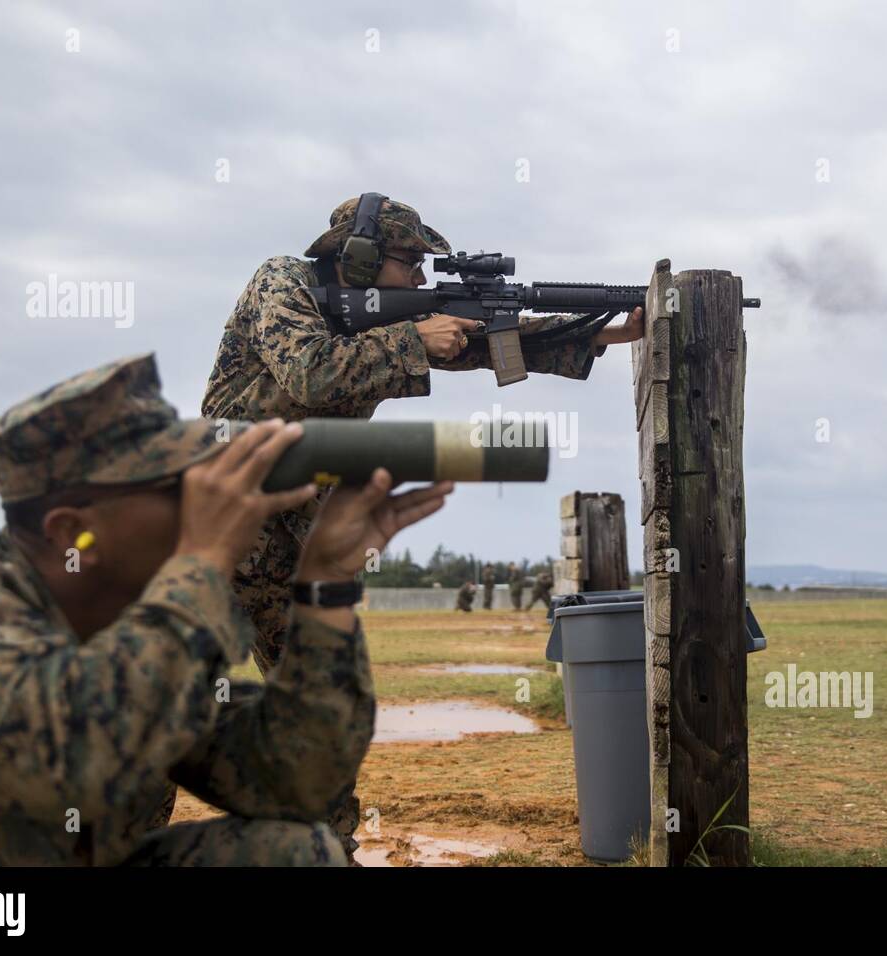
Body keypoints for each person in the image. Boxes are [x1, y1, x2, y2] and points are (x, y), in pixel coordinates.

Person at [0, 354, 451, 866]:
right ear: (75, 533)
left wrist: (326, 586)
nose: (201, 506)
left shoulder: (125, 618)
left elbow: (298, 780)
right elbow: (67, 763)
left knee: (295, 852)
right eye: (176, 491)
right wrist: (199, 563)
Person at [201, 195, 643, 856]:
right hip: (214, 532)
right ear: (359, 256)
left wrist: (601, 331)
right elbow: (310, 369)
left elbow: (485, 345)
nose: (419, 279)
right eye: (410, 262)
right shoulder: (283, 282)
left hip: (295, 548)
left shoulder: (384, 321)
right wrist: (413, 338)